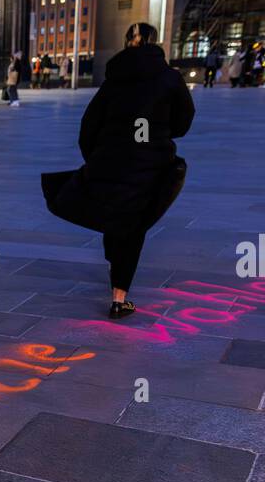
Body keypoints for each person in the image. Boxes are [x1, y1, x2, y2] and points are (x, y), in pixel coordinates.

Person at [41, 23, 193, 319]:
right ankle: (119, 297)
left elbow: (88, 126)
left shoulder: (114, 80)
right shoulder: (170, 78)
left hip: (111, 160)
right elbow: (184, 123)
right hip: (150, 163)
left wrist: (98, 157)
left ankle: (115, 266)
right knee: (133, 225)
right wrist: (158, 135)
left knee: (116, 214)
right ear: (154, 42)